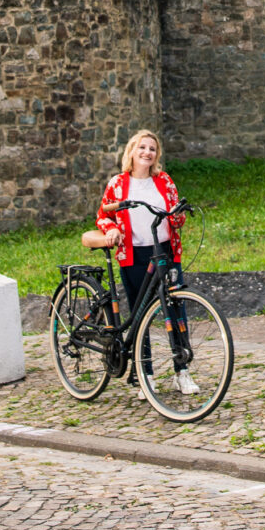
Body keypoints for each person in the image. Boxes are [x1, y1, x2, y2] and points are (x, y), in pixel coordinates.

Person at [88, 129, 195, 395]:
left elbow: (174, 215)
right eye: (142, 148)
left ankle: (182, 371)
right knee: (139, 315)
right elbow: (103, 215)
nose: (147, 153)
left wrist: (178, 216)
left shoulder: (164, 181)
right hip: (134, 255)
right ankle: (144, 373)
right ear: (132, 152)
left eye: (152, 149)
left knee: (176, 311)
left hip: (165, 253)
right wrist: (111, 229)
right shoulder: (118, 184)